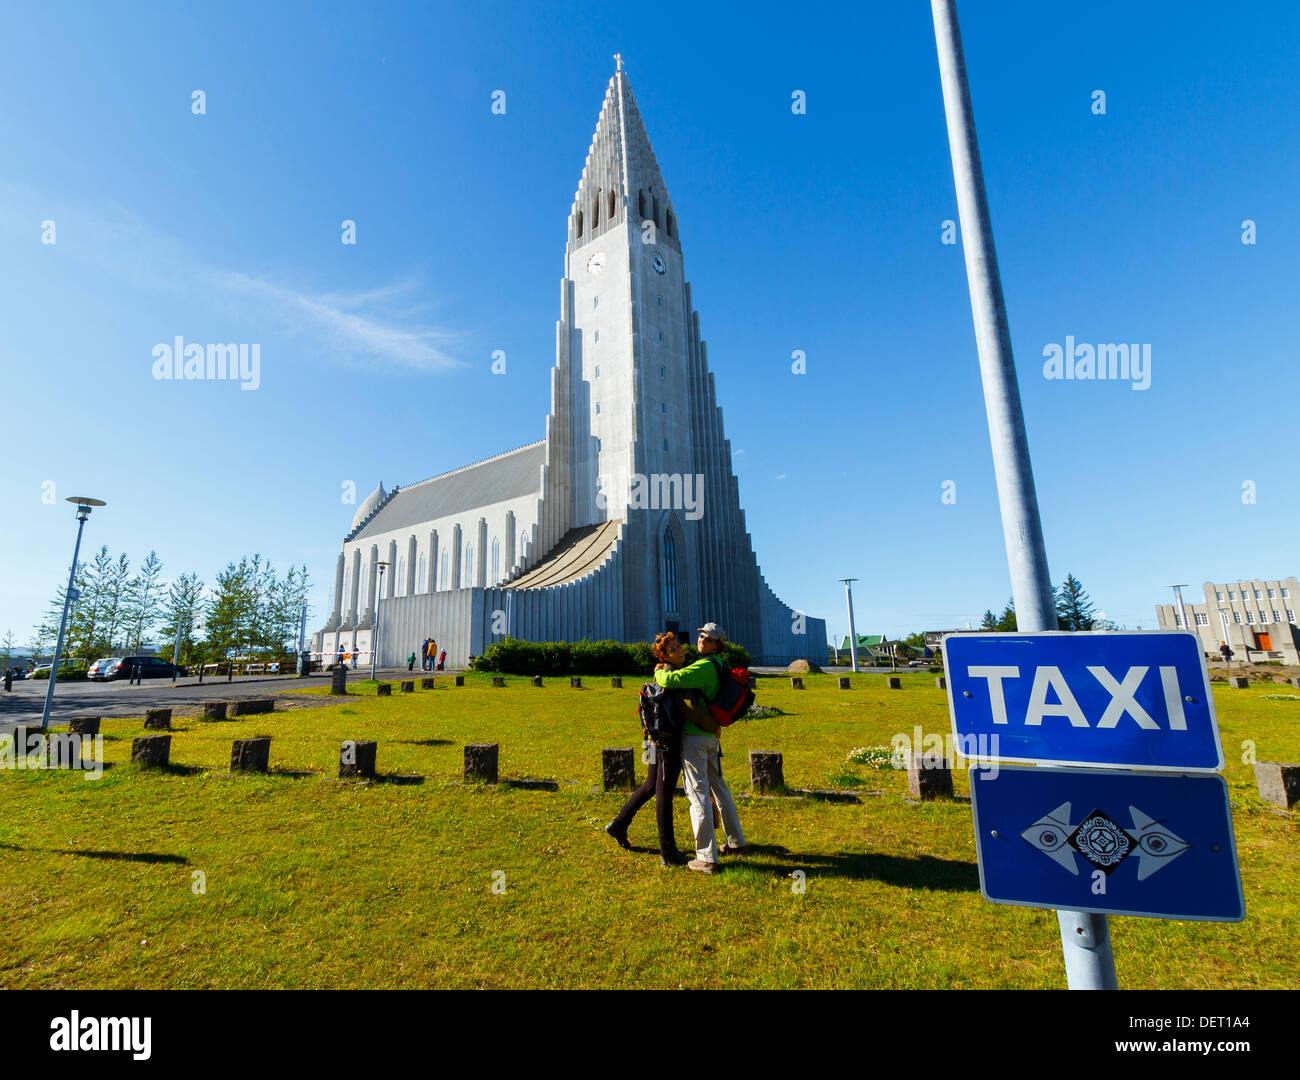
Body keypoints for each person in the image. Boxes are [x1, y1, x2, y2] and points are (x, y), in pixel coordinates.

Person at [653, 623, 746, 874]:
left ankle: (706, 858)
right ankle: (736, 842)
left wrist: (659, 671)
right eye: (701, 635)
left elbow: (671, 680)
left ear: (718, 644)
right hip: (711, 734)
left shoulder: (704, 666)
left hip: (695, 737)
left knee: (698, 794)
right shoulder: (718, 664)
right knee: (720, 788)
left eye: (708, 638)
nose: (701, 640)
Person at [605, 632, 688, 867]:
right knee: (664, 793)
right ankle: (668, 852)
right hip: (666, 743)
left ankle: (619, 824)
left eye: (679, 646)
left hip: (650, 739)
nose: (679, 650)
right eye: (673, 649)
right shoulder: (672, 676)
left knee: (651, 785)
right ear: (664, 656)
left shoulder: (660, 672)